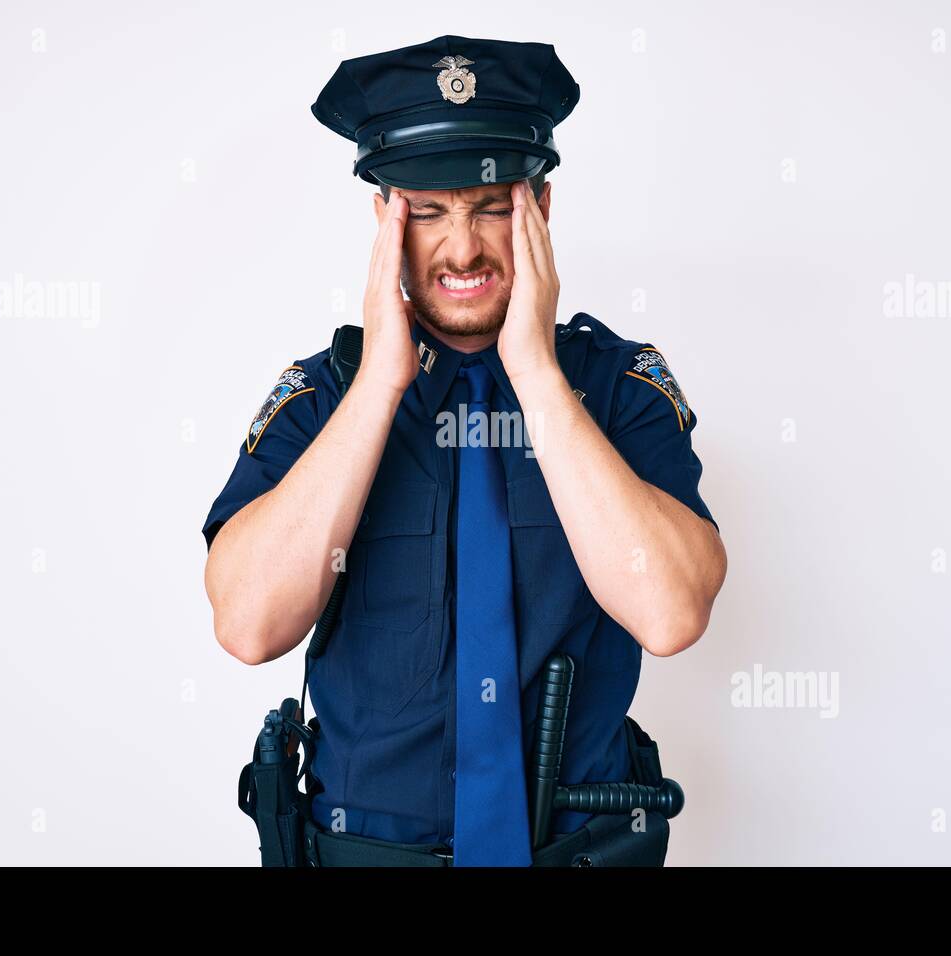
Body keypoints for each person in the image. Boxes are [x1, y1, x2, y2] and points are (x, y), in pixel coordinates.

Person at [202, 35, 727, 867]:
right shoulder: (324, 397)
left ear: (540, 211)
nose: (463, 249)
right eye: (429, 211)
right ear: (384, 220)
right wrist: (379, 385)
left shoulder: (619, 388)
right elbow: (250, 625)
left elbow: (670, 613)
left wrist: (535, 373)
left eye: (489, 208)